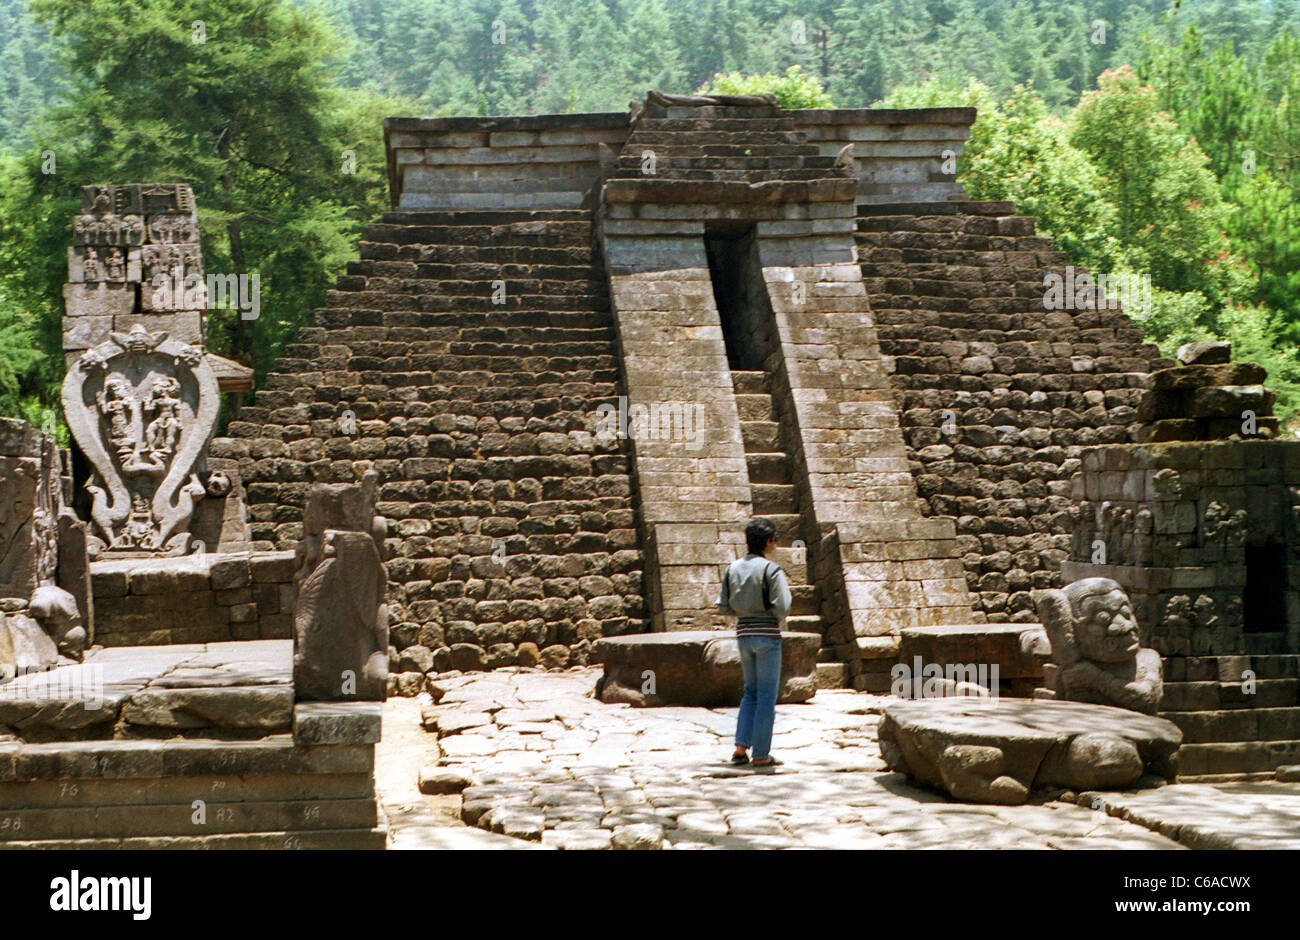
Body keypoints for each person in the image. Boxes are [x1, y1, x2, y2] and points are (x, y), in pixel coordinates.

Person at [716, 517, 792, 767]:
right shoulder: (772, 570)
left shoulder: (732, 568)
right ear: (768, 542)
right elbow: (782, 606)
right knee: (767, 696)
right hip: (767, 634)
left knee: (750, 692)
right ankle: (761, 753)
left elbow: (724, 606)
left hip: (744, 633)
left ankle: (740, 747)